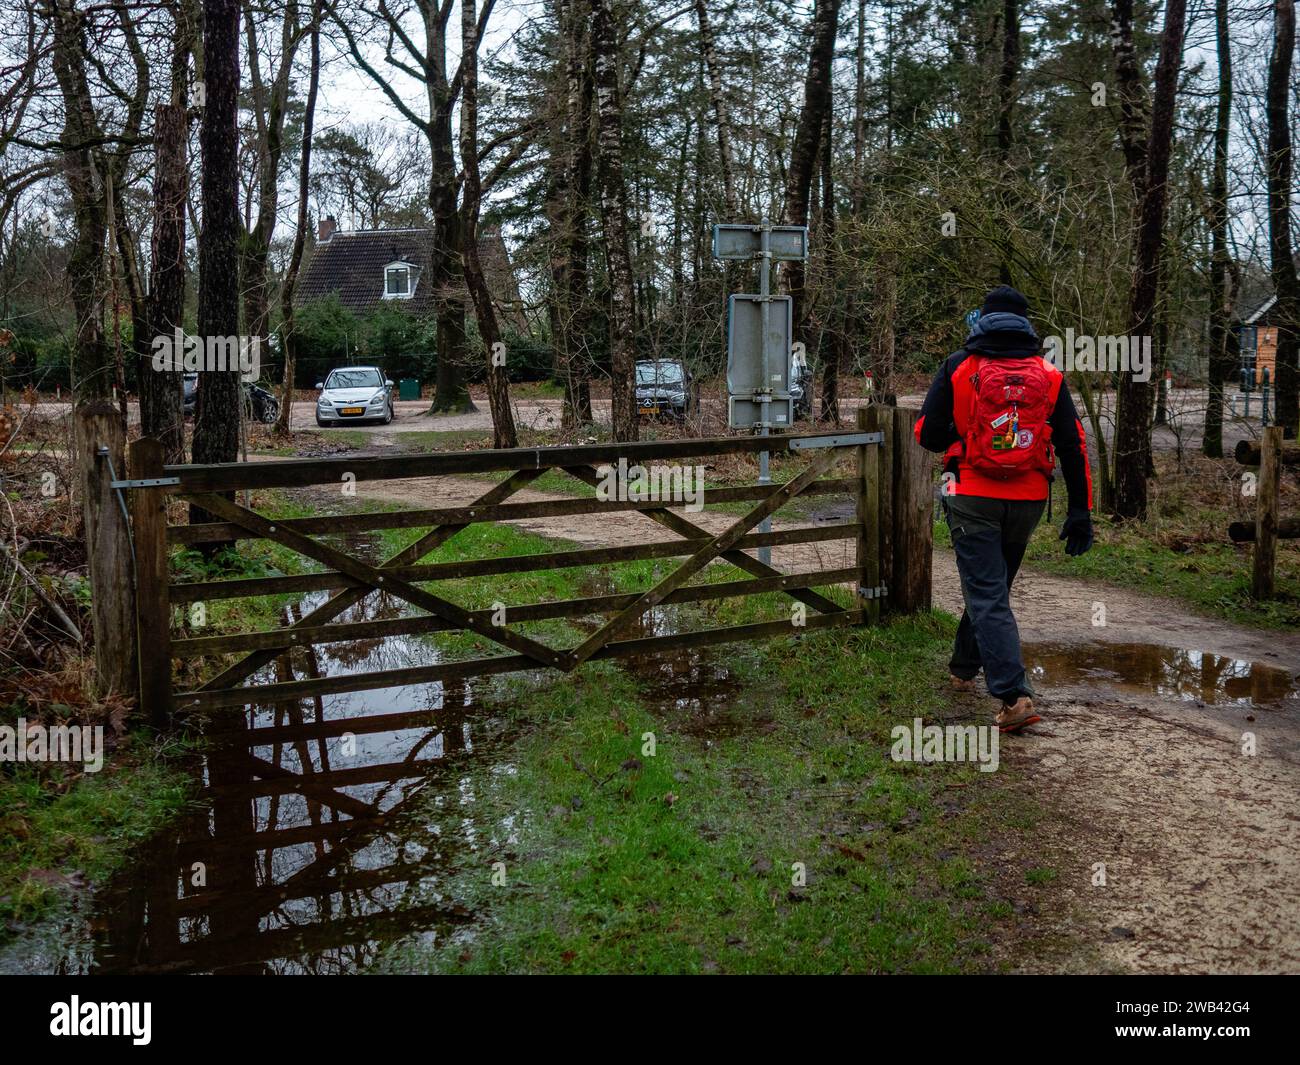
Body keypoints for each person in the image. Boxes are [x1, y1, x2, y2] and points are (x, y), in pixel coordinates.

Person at [914, 285, 1093, 733]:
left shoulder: (959, 365)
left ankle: (1014, 695)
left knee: (987, 591)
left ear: (983, 319)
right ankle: (962, 665)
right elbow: (1073, 445)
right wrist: (1080, 511)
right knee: (992, 588)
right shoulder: (1049, 374)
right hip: (1029, 498)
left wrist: (962, 432)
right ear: (1026, 323)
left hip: (971, 493)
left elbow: (928, 435)